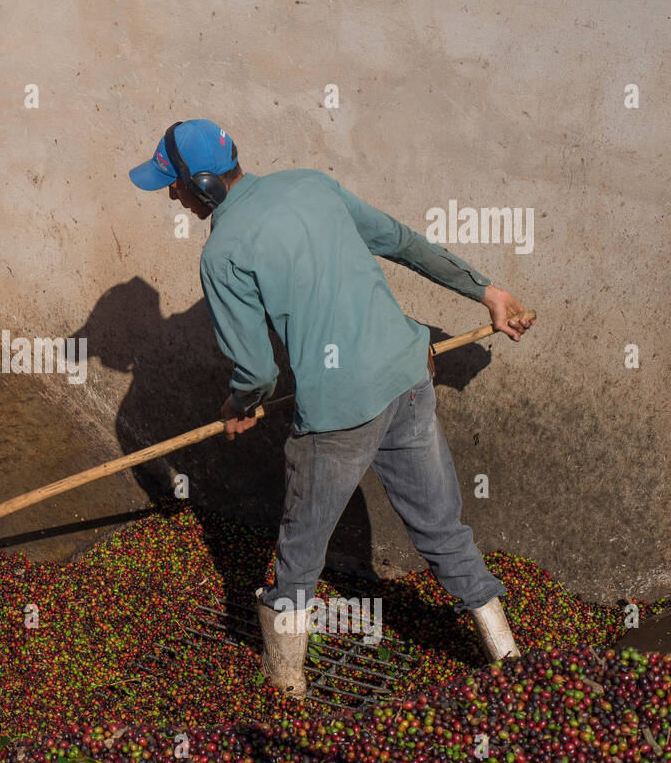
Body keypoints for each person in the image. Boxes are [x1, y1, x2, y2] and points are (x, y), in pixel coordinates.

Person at [129, 119, 535, 699]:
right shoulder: (311, 185)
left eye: (174, 185)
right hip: (409, 373)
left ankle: (286, 687)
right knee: (442, 528)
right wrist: (485, 289)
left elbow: (259, 373)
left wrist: (241, 402)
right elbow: (399, 241)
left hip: (340, 416)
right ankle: (508, 654)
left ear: (205, 184)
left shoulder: (222, 253)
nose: (171, 195)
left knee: (299, 555)